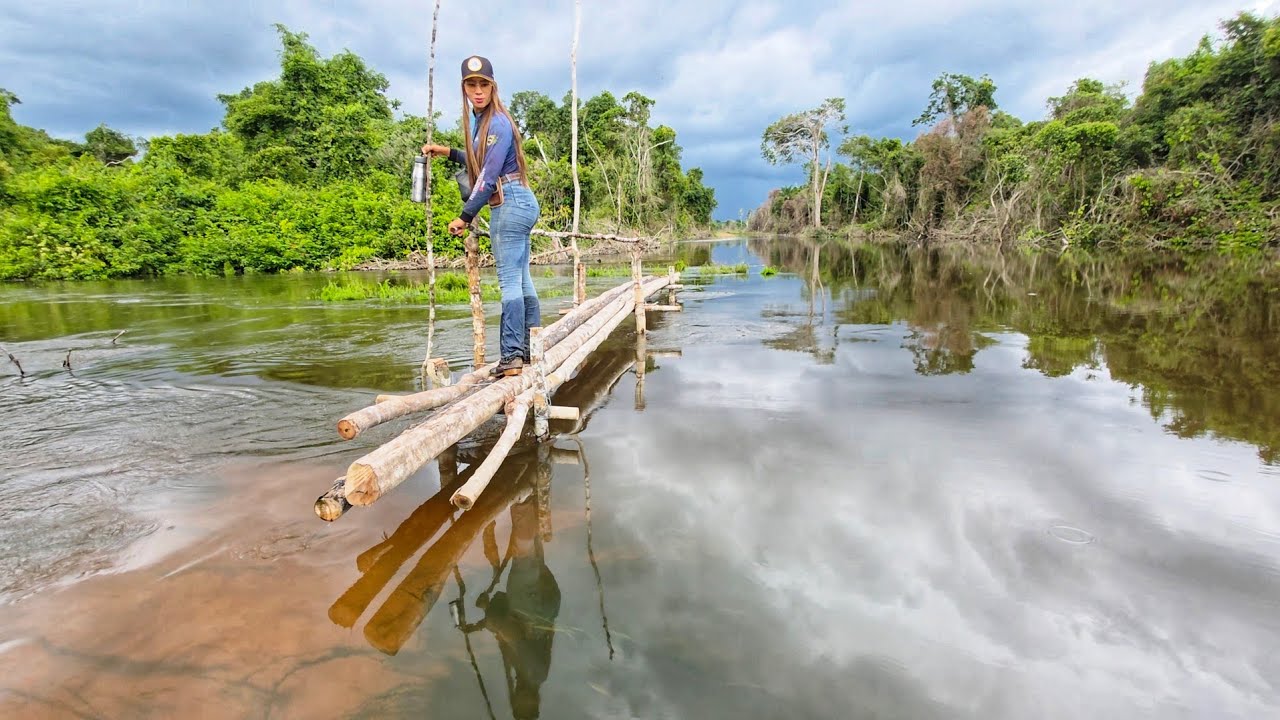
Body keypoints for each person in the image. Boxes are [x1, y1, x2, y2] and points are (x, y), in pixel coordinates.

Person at [423, 55, 541, 377]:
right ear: (464, 88)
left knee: (508, 283)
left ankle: (512, 356)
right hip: (519, 201)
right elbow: (478, 160)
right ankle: (531, 350)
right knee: (522, 279)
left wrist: (463, 217)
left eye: (483, 85)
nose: (478, 91)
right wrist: (445, 151)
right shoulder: (481, 124)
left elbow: (487, 177)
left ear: (492, 87)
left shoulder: (498, 122)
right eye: (471, 85)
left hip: (510, 202)